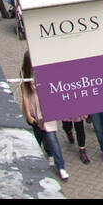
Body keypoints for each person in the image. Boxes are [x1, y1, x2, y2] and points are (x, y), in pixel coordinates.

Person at [19, 52, 67, 180]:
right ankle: (39, 161)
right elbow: (25, 95)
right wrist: (28, 114)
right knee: (37, 138)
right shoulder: (25, 74)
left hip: (46, 110)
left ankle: (61, 167)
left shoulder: (45, 70)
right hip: (34, 110)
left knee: (52, 138)